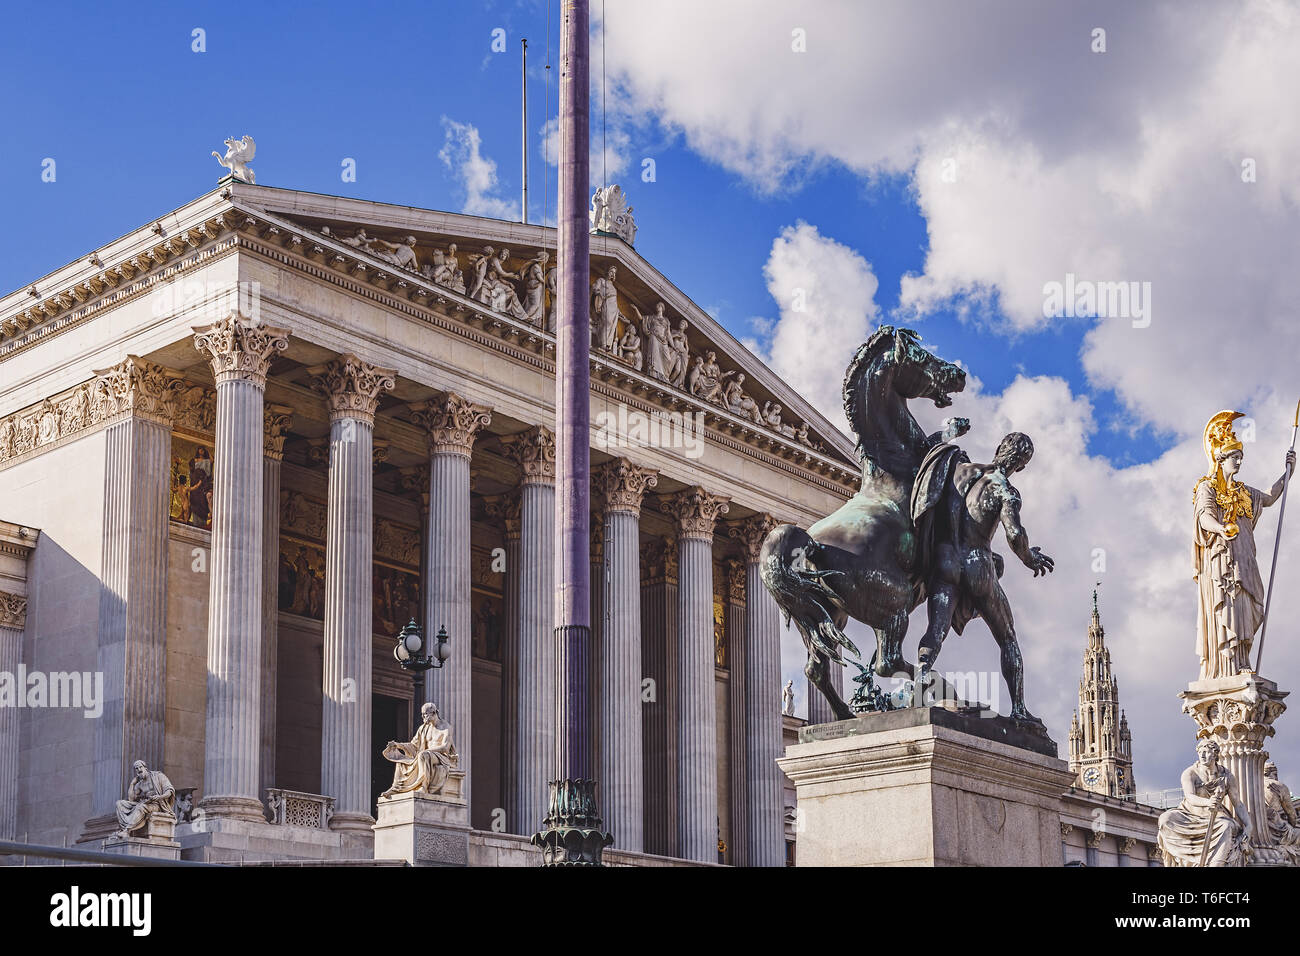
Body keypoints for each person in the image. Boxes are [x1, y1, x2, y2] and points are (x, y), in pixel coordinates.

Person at [909, 431, 1053, 724]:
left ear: (999, 447)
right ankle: (1019, 710)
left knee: (936, 631)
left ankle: (920, 679)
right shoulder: (1006, 491)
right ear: (1022, 466)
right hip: (978, 566)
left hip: (945, 561)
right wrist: (1030, 558)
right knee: (1007, 637)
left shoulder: (959, 472)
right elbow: (1014, 535)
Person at [1193, 411, 1295, 678]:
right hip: (1222, 561)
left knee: (1247, 605)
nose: (1239, 461)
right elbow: (1204, 516)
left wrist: (1287, 474)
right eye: (1234, 457)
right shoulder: (1208, 488)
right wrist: (1220, 528)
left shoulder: (1245, 492)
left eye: (1240, 457)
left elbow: (1270, 498)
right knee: (1228, 605)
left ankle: (1242, 659)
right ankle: (1228, 664)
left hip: (1245, 557)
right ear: (1220, 458)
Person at [1157, 739, 1250, 866]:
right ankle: (1186, 859)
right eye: (1200, 752)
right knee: (1165, 818)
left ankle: (1217, 862)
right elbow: (1190, 797)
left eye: (1206, 752)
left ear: (1215, 754)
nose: (1202, 755)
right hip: (1189, 815)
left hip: (1215, 816)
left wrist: (1249, 825)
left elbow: (1238, 803)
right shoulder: (1190, 773)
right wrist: (1208, 802)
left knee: (1226, 825)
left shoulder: (1227, 776)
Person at [380, 702, 458, 797]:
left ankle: (423, 787)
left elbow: (445, 748)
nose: (423, 717)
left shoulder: (446, 727)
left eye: (425, 714)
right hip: (427, 755)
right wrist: (398, 745)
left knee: (423, 755)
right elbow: (413, 745)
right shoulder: (423, 728)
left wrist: (427, 751)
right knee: (402, 761)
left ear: (433, 713)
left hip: (442, 757)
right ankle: (396, 788)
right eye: (422, 714)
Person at [115, 760, 175, 838]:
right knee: (120, 803)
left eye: (140, 767)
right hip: (147, 803)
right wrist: (132, 784)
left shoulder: (158, 776)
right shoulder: (140, 784)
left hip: (158, 805)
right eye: (136, 768)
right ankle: (124, 828)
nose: (139, 769)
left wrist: (159, 797)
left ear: (145, 768)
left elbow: (169, 791)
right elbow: (131, 799)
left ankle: (127, 830)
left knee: (141, 807)